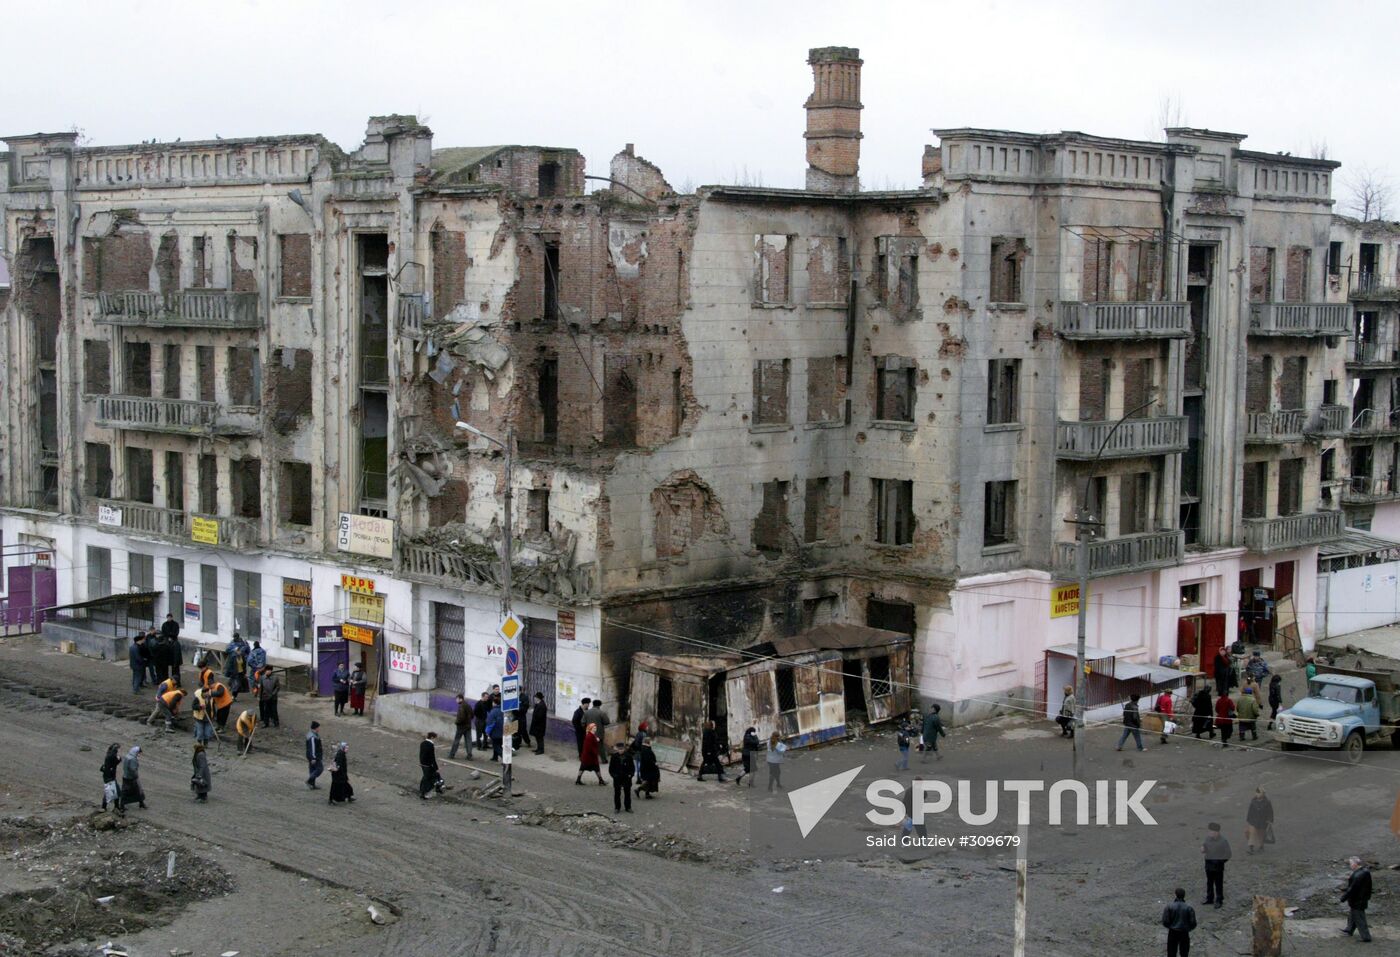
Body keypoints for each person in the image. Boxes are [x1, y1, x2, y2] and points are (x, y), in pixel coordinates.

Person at [1341, 856, 1373, 942]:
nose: (1350, 865)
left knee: (1359, 918)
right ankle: (1349, 929)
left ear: (1355, 864)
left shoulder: (1358, 875)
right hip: (1361, 898)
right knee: (1353, 915)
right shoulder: (1364, 872)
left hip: (1357, 900)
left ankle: (1366, 937)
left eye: (1351, 863)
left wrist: (1343, 897)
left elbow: (1352, 889)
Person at [1202, 822, 1231, 908]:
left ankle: (1219, 900)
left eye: (1211, 831)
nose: (1210, 833)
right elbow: (1205, 846)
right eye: (1209, 831)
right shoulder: (1207, 839)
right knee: (1209, 883)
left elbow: (1228, 854)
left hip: (1218, 867)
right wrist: (1203, 849)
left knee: (1218, 884)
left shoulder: (1223, 841)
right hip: (1208, 865)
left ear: (1216, 832)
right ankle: (1209, 898)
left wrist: (1219, 861)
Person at [1161, 887, 1197, 957]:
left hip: (1173, 932)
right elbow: (1193, 923)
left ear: (1176, 895)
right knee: (1184, 952)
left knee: (1171, 952)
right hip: (1184, 932)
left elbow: (1165, 921)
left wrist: (1170, 927)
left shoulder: (1169, 906)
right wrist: (1188, 928)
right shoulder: (1189, 907)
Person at [1245, 787, 1274, 853]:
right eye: (1256, 792)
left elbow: (1270, 812)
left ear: (1263, 794)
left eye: (1259, 792)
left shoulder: (1267, 802)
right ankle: (1251, 847)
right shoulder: (1253, 801)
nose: (1257, 794)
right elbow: (1250, 811)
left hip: (1263, 822)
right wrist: (1249, 820)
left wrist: (1270, 820)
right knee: (1251, 833)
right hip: (1253, 821)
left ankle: (1261, 847)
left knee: (1261, 835)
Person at [608, 742, 634, 813]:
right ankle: (617, 807)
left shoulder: (629, 756)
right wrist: (614, 776)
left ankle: (628, 807)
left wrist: (630, 775)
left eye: (622, 749)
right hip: (617, 778)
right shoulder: (614, 757)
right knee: (617, 793)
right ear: (617, 749)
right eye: (619, 749)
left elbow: (632, 767)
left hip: (626, 778)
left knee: (627, 793)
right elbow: (611, 769)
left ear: (624, 749)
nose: (621, 750)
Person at [121, 745, 147, 810]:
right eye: (139, 752)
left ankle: (141, 803)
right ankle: (122, 806)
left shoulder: (128, 756)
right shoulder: (133, 759)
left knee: (131, 791)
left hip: (126, 776)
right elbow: (133, 769)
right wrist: (136, 776)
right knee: (136, 790)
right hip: (131, 778)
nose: (139, 754)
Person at [419, 731, 444, 799]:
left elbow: (421, 754)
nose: (436, 740)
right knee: (429, 778)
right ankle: (424, 793)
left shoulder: (423, 743)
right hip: (428, 764)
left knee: (426, 777)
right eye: (435, 738)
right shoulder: (430, 745)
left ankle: (423, 790)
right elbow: (432, 757)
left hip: (423, 763)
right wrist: (436, 767)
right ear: (432, 737)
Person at [450, 694, 474, 760]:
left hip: (461, 726)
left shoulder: (461, 706)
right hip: (468, 726)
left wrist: (456, 722)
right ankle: (469, 755)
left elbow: (461, 717)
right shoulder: (468, 705)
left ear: (461, 699)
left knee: (457, 740)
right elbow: (472, 715)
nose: (456, 700)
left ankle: (452, 754)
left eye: (457, 699)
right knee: (468, 741)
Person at [101, 743, 123, 814]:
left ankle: (114, 807)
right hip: (110, 777)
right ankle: (106, 807)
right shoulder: (113, 756)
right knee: (112, 791)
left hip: (108, 776)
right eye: (119, 749)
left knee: (114, 791)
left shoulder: (109, 754)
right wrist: (119, 758)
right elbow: (116, 762)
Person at [161, 613, 182, 684]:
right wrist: (167, 638)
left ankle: (176, 681)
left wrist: (172, 636)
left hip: (173, 640)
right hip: (167, 642)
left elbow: (176, 632)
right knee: (165, 668)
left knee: (175, 669)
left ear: (172, 617)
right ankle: (166, 681)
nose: (169, 619)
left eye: (170, 617)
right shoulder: (164, 624)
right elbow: (163, 633)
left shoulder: (175, 624)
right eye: (168, 617)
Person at [306, 721, 325, 789]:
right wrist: (313, 757)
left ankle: (312, 785)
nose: (319, 728)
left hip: (312, 755)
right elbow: (312, 748)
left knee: (313, 769)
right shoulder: (313, 737)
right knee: (320, 768)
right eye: (318, 727)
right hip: (315, 756)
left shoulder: (312, 734)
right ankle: (309, 781)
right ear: (316, 728)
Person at [486, 697, 504, 762]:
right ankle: (495, 757)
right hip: (502, 730)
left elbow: (490, 723)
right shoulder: (502, 710)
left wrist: (487, 732)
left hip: (495, 731)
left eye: (492, 702)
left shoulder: (493, 712)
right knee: (499, 744)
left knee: (495, 745)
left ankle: (504, 758)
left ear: (494, 703)